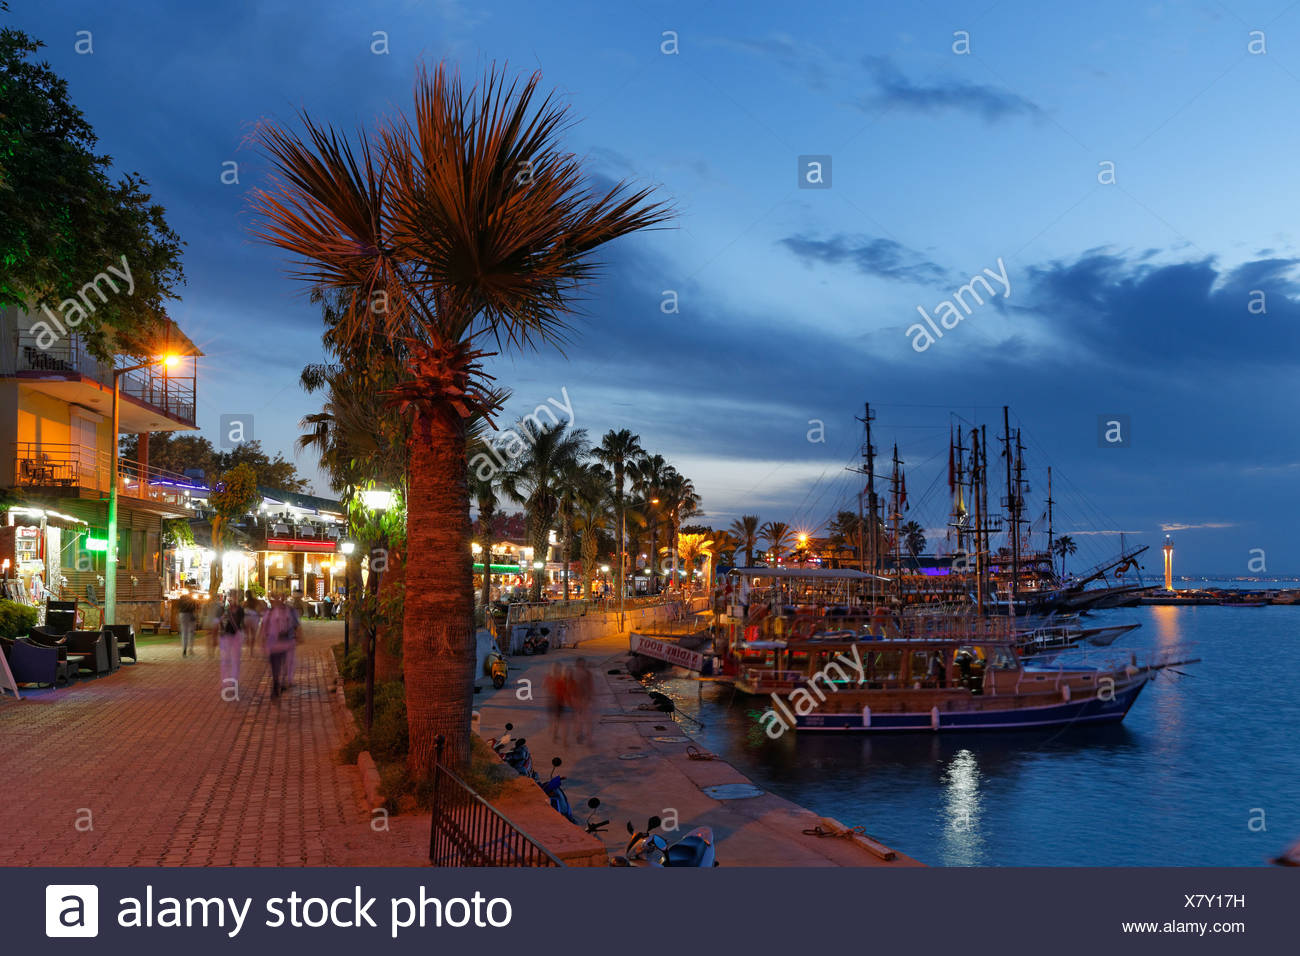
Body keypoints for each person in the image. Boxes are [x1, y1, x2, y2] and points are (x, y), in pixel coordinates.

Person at [260, 592, 300, 699]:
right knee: (276, 666)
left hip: (284, 643)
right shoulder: (271, 612)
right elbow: (264, 626)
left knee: (283, 665)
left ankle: (280, 683)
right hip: (274, 644)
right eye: (276, 599)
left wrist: (297, 636)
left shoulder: (288, 611)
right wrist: (263, 640)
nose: (278, 601)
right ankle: (277, 684)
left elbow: (294, 625)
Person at [211, 589, 245, 698]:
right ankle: (225, 681)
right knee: (225, 660)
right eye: (231, 596)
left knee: (235, 660)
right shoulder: (223, 609)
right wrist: (214, 638)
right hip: (225, 636)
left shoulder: (240, 609)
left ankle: (233, 681)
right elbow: (217, 622)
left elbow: (242, 623)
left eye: (235, 596)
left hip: (235, 637)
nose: (233, 599)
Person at [544, 663, 571, 747]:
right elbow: (565, 691)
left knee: (557, 721)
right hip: (557, 702)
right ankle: (564, 741)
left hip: (553, 701)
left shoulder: (550, 677)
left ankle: (555, 735)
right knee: (563, 722)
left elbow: (544, 686)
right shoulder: (561, 679)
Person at [568, 658, 594, 744]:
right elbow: (590, 686)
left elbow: (570, 687)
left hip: (579, 698)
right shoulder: (587, 673)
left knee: (579, 717)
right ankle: (585, 736)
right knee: (585, 718)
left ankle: (580, 734)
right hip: (582, 698)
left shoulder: (574, 673)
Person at [242, 590, 262, 657]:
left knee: (247, 633)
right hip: (254, 617)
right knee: (253, 635)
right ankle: (251, 650)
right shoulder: (256, 601)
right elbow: (260, 608)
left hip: (247, 617)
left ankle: (247, 640)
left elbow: (242, 610)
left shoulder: (245, 602)